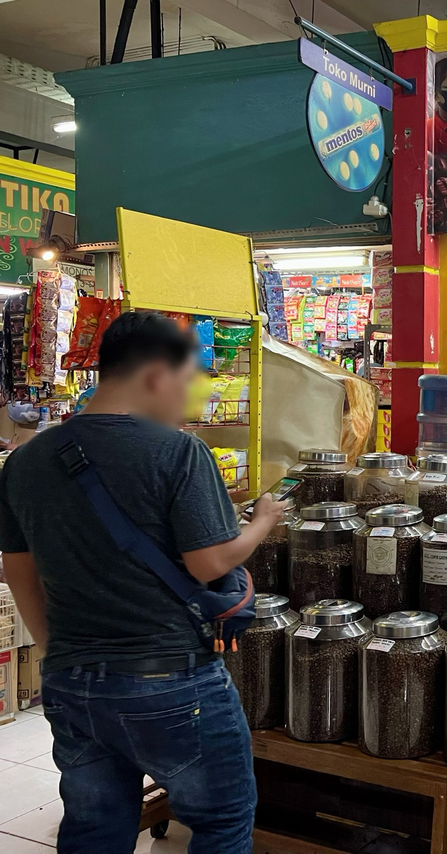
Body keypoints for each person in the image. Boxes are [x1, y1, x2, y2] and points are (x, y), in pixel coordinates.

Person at [0, 312, 287, 854]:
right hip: (171, 678)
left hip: (73, 683)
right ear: (156, 374)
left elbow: (18, 572)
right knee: (222, 822)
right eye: (188, 380)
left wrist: (57, 651)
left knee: (94, 831)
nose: (192, 395)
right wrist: (262, 523)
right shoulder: (179, 452)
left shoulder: (25, 460)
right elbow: (208, 564)